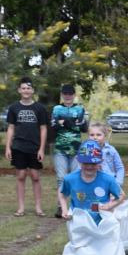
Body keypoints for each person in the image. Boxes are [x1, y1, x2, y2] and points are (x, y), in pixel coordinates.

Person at [4, 77, 48, 217]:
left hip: (34, 147)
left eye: (28, 88)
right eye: (23, 88)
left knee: (35, 176)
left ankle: (38, 207)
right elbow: (11, 128)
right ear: (19, 90)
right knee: (21, 176)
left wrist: (41, 149)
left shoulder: (39, 108)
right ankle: (21, 208)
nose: (26, 91)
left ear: (33, 90)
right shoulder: (14, 107)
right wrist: (8, 147)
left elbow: (43, 129)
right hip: (18, 146)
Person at [59, 141, 126, 223]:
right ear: (78, 160)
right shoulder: (70, 179)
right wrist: (64, 210)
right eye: (86, 163)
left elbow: (121, 195)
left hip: (102, 222)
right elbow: (62, 194)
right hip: (78, 222)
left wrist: (109, 206)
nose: (89, 166)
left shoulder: (108, 179)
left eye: (93, 163)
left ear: (101, 161)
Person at [50, 84, 87, 216]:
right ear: (62, 94)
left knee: (76, 177)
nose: (68, 96)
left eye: (70, 94)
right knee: (61, 178)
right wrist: (69, 122)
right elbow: (53, 125)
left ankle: (77, 206)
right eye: (65, 93)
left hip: (76, 149)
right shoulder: (57, 109)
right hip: (60, 148)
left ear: (74, 95)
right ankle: (61, 206)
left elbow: (83, 127)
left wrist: (63, 122)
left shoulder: (80, 108)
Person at [88, 122, 125, 186]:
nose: (95, 137)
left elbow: (120, 168)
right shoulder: (86, 151)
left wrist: (118, 182)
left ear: (105, 135)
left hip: (110, 183)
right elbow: (80, 168)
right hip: (92, 183)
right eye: (92, 135)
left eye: (98, 135)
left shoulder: (111, 150)